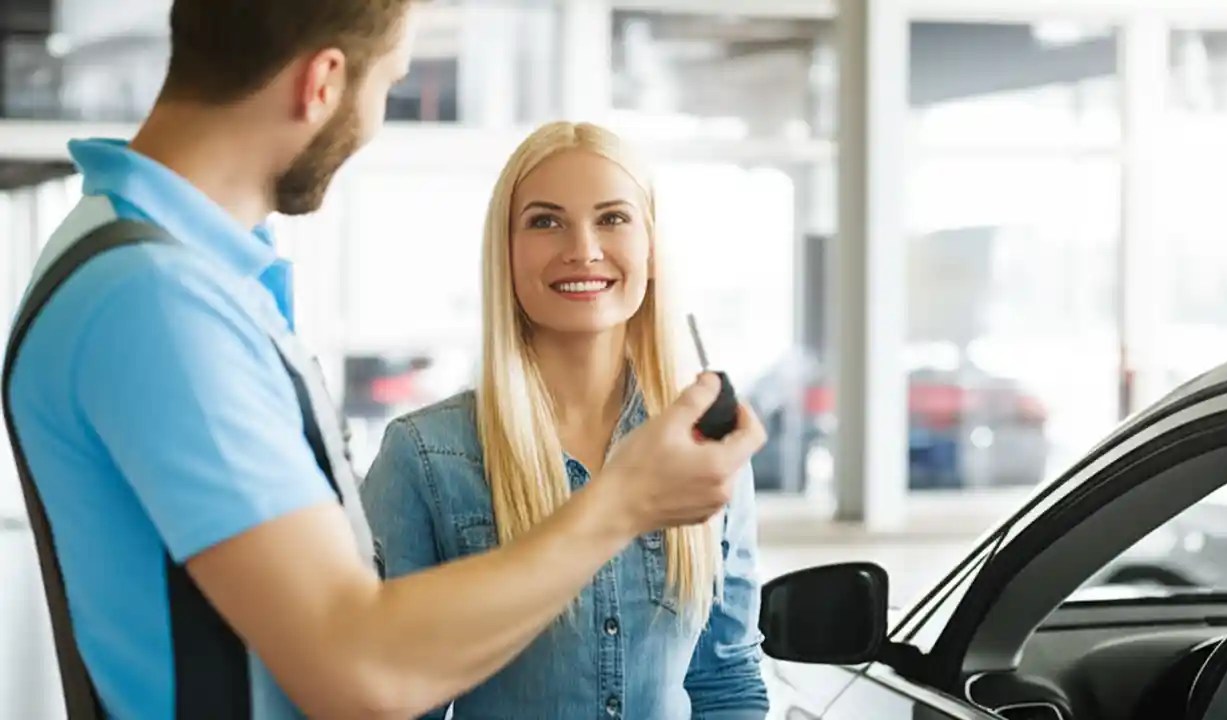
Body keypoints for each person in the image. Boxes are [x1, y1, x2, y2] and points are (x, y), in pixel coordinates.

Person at [2, 2, 766, 719]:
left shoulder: (194, 281)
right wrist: (624, 502)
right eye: (392, 83)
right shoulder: (156, 302)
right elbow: (358, 667)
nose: (375, 124)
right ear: (324, 82)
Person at [360, 121, 770, 719]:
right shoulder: (424, 455)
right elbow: (390, 700)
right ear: (506, 251)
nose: (582, 248)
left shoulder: (704, 445)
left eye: (613, 218)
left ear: (652, 248)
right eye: (545, 221)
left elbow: (727, 684)